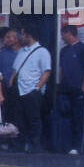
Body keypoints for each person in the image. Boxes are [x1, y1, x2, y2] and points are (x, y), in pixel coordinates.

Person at [10, 23, 52, 153]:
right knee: (19, 120)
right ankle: (20, 145)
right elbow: (16, 69)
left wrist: (38, 88)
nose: (21, 37)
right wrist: (11, 82)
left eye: (23, 34)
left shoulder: (42, 51)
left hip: (32, 90)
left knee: (34, 119)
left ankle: (35, 146)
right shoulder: (22, 51)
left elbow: (47, 71)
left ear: (29, 35)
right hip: (20, 90)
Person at [56, 25, 84, 155]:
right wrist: (60, 84)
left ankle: (77, 146)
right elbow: (61, 69)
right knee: (66, 118)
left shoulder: (83, 49)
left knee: (78, 118)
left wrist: (83, 87)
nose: (61, 37)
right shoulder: (64, 51)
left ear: (69, 34)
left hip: (77, 89)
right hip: (65, 89)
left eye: (63, 34)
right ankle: (65, 145)